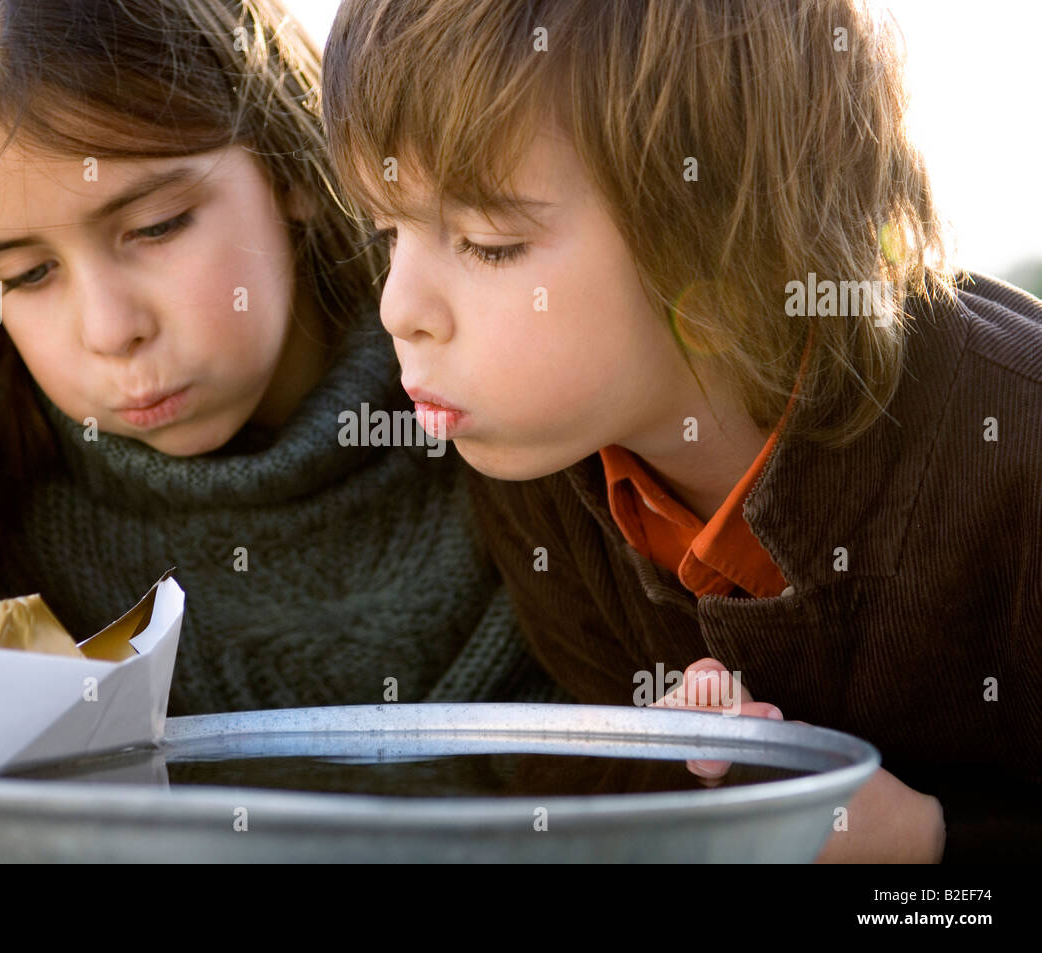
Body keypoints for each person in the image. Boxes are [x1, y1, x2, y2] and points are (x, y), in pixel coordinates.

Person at [321, 0, 1041, 861]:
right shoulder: (536, 462)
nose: (398, 307)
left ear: (735, 249)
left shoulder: (1013, 453)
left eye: (487, 243)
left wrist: (925, 849)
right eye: (387, 230)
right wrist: (667, 777)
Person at [0, 0, 567, 715]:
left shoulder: (531, 410)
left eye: (156, 226)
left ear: (287, 165)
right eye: (27, 275)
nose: (111, 330)